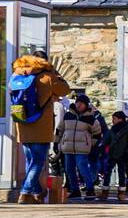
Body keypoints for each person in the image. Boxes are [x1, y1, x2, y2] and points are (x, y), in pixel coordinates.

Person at [10, 54, 72, 204]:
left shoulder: (17, 73)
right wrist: (55, 73)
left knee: (30, 161)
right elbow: (65, 90)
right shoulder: (48, 76)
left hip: (23, 124)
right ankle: (25, 192)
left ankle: (36, 192)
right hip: (41, 125)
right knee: (37, 162)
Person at [56, 95, 102, 200]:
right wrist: (56, 143)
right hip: (67, 148)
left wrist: (91, 145)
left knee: (83, 169)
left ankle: (90, 190)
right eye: (77, 102)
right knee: (69, 170)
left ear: (86, 105)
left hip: (82, 149)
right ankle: (75, 190)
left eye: (81, 103)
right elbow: (60, 129)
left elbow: (97, 133)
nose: (78, 105)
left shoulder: (91, 118)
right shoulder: (68, 115)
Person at [99, 111, 128, 201]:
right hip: (112, 154)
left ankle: (121, 193)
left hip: (122, 155)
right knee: (107, 173)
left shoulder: (127, 129)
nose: (112, 120)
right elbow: (107, 140)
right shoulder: (113, 129)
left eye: (114, 118)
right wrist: (101, 148)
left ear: (120, 119)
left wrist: (127, 153)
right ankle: (105, 192)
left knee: (121, 174)